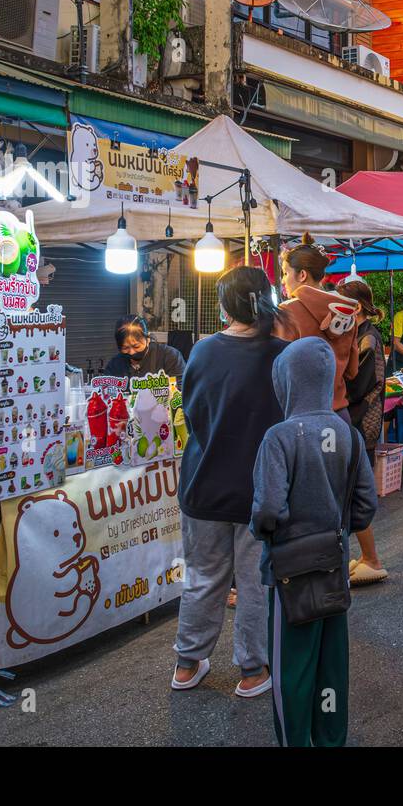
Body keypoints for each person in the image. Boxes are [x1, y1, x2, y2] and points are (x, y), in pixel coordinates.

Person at [250, 338, 377, 746]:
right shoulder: (349, 434)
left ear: (287, 379)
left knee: (292, 672)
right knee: (331, 670)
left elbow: (267, 509)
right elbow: (365, 506)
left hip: (290, 573)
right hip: (333, 566)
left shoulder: (279, 437)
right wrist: (336, 530)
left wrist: (268, 532)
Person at [173, 267, 286, 698]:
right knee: (255, 584)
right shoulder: (282, 353)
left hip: (204, 485)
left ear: (224, 306)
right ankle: (252, 672)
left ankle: (187, 664)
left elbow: (192, 414)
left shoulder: (202, 352)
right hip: (260, 491)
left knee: (203, 577)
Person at [340, 279, 390, 587]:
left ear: (355, 308)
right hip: (357, 423)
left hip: (361, 423)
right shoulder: (359, 335)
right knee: (351, 492)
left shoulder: (368, 340)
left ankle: (372, 559)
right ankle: (366, 556)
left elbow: (358, 387)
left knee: (354, 493)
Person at [276, 236, 360, 417]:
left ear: (302, 275)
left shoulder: (287, 312)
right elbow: (352, 371)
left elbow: (278, 370)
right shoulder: (347, 311)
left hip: (301, 417)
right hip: (339, 414)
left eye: (285, 273)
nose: (283, 280)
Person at [103, 314, 187, 380]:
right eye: (125, 348)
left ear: (148, 338)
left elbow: (181, 390)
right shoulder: (115, 364)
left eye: (136, 346)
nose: (132, 352)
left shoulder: (170, 357)